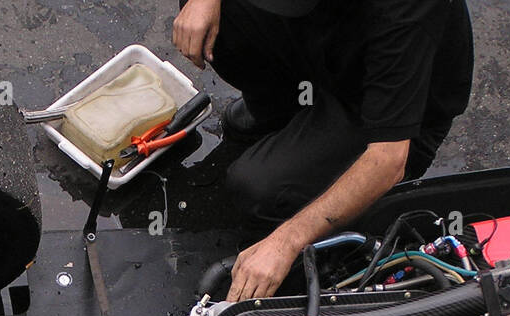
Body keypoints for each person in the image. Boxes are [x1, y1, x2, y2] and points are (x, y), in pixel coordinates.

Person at [172, 0, 474, 300]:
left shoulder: (404, 15)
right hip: (331, 48)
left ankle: (315, 255)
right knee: (214, 11)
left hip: (388, 116)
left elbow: (387, 160)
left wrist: (285, 242)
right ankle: (284, 111)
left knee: (255, 186)